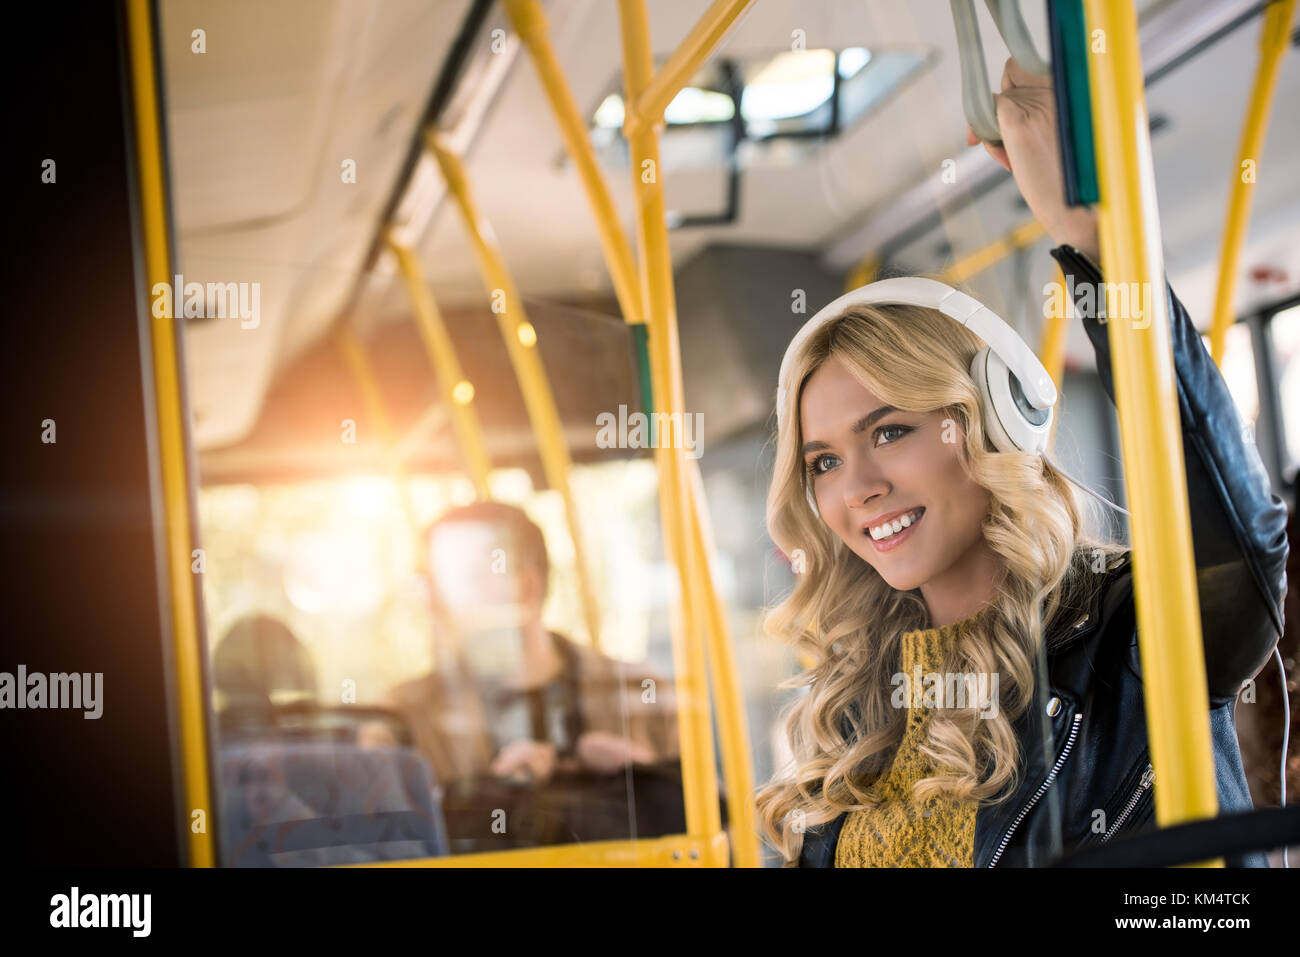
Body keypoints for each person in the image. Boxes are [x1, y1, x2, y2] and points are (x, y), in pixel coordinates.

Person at [754, 59, 1290, 867]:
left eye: (890, 431)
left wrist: (1096, 245)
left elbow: (1242, 544)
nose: (856, 487)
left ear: (995, 422)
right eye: (823, 461)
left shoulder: (1130, 636)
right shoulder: (862, 697)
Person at [374, 501, 681, 825]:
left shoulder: (643, 695)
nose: (431, 604)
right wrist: (484, 799)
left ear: (527, 588)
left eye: (456, 581)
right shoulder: (402, 720)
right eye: (427, 584)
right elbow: (379, 844)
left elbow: (720, 831)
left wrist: (648, 775)